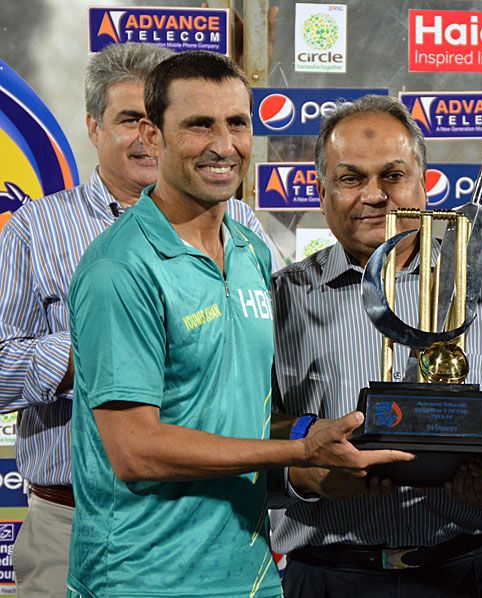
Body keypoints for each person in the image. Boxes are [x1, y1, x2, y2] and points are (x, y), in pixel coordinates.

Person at [65, 51, 411, 598]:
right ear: (152, 136)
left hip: (250, 577)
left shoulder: (249, 250)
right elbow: (135, 451)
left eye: (237, 123)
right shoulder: (119, 268)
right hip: (142, 579)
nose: (223, 145)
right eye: (199, 124)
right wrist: (300, 453)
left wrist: (322, 447)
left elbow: (244, 409)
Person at [268, 94, 482, 598]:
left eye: (393, 175)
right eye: (350, 179)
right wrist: (306, 475)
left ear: (424, 186)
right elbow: (243, 435)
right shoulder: (284, 296)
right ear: (321, 194)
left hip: (468, 571)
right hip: (328, 576)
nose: (374, 195)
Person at [0, 42, 274, 597]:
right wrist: (106, 352)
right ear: (94, 128)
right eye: (131, 119)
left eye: (159, 120)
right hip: (78, 523)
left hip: (224, 522)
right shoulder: (36, 229)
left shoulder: (243, 226)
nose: (149, 136)